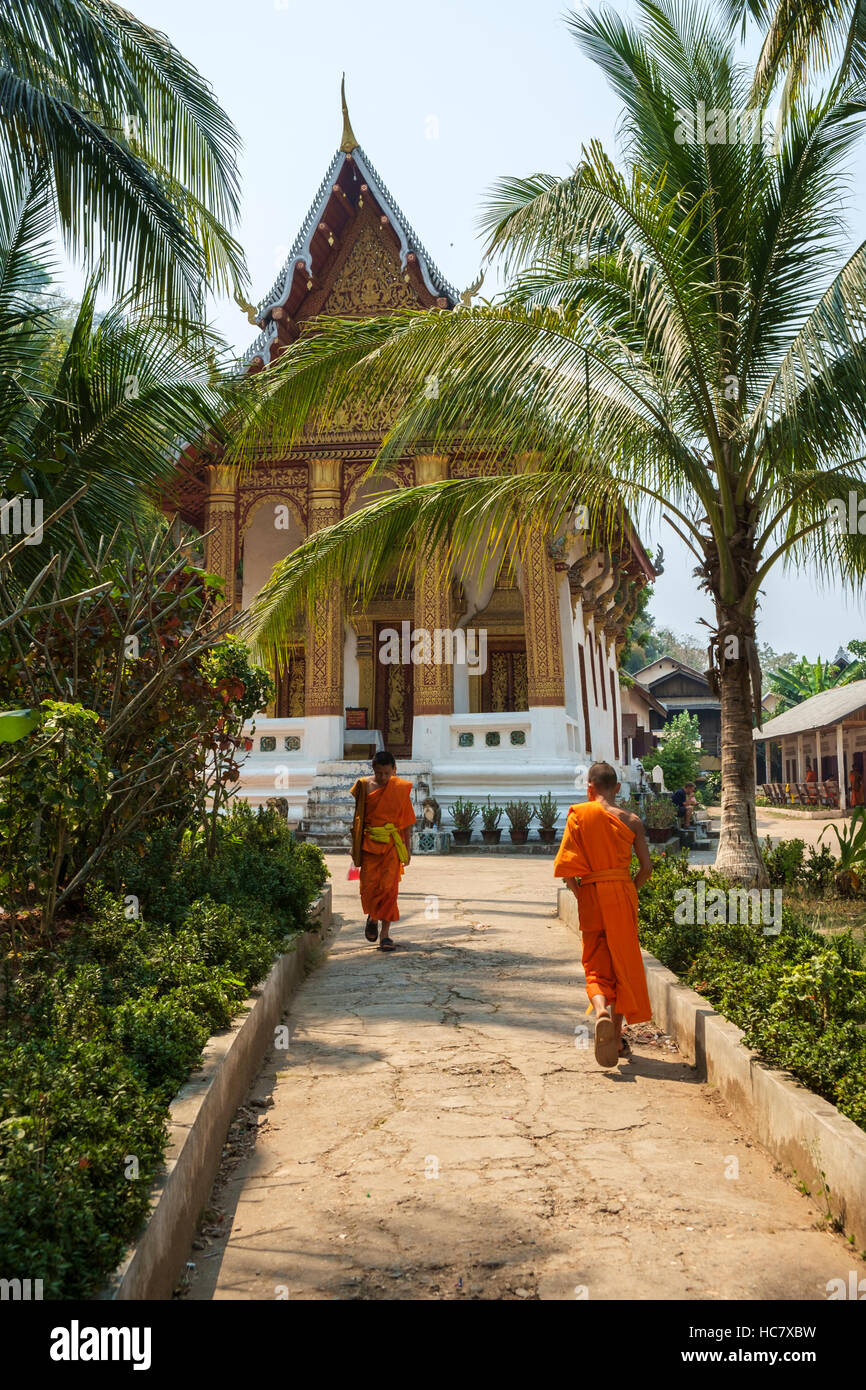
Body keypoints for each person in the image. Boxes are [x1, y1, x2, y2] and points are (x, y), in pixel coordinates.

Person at [554, 761, 653, 1067]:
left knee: (595, 961)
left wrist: (582, 893)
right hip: (621, 892)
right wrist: (628, 888)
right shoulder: (632, 820)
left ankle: (600, 1012)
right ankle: (618, 1034)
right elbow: (647, 869)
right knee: (622, 962)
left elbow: (567, 869)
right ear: (618, 788)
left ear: (590, 788)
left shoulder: (580, 815)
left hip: (592, 894)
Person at [350, 751, 416, 952]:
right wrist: (354, 843)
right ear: (373, 769)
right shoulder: (363, 786)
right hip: (369, 844)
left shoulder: (400, 788)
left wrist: (407, 847)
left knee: (389, 888)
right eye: (379, 773)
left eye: (387, 773)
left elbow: (405, 822)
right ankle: (373, 915)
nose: (383, 778)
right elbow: (358, 817)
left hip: (391, 845)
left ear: (394, 770)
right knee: (369, 887)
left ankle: (385, 935)